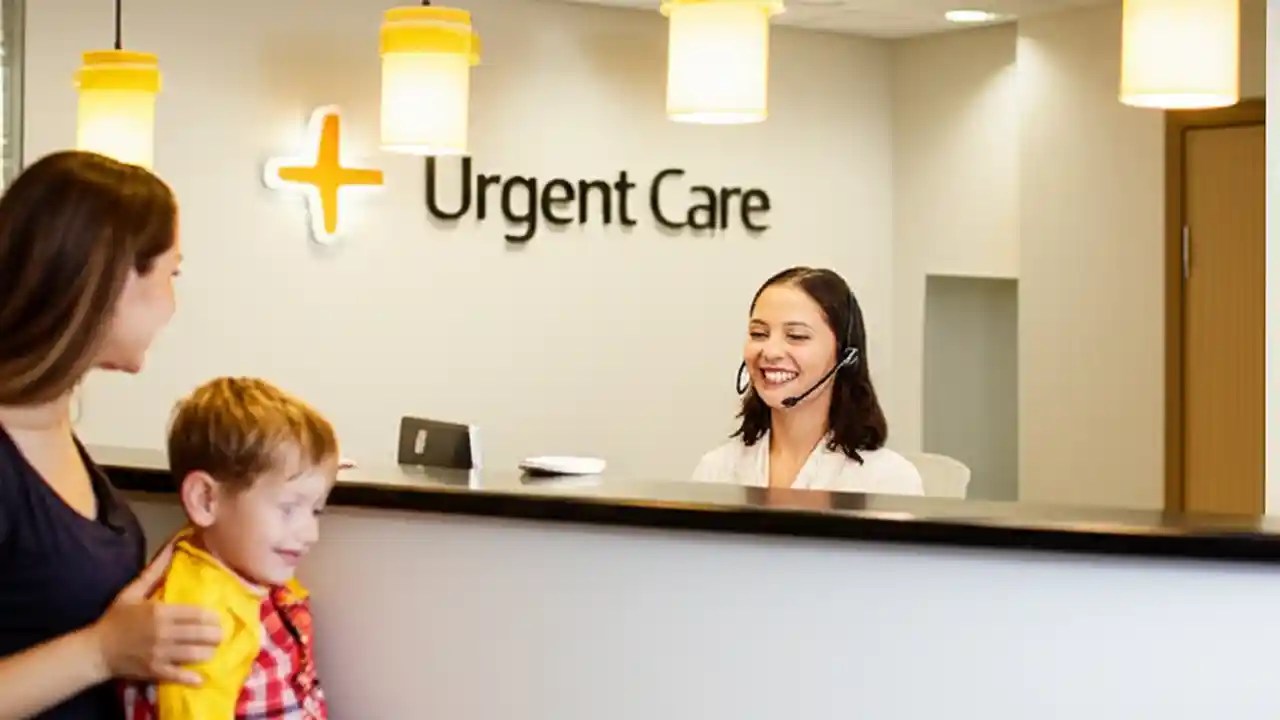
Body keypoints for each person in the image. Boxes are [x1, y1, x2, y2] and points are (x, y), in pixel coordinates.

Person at [0, 150, 222, 719]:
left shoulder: (52, 427)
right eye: (171, 274)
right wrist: (100, 652)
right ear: (114, 278)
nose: (172, 304)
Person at [120, 376, 339, 719]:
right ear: (205, 500)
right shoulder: (202, 618)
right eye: (288, 509)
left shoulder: (244, 570)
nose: (310, 533)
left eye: (315, 510)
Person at [692, 266, 924, 494]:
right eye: (759, 334)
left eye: (796, 336)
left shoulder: (888, 480)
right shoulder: (716, 470)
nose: (770, 352)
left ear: (844, 354)